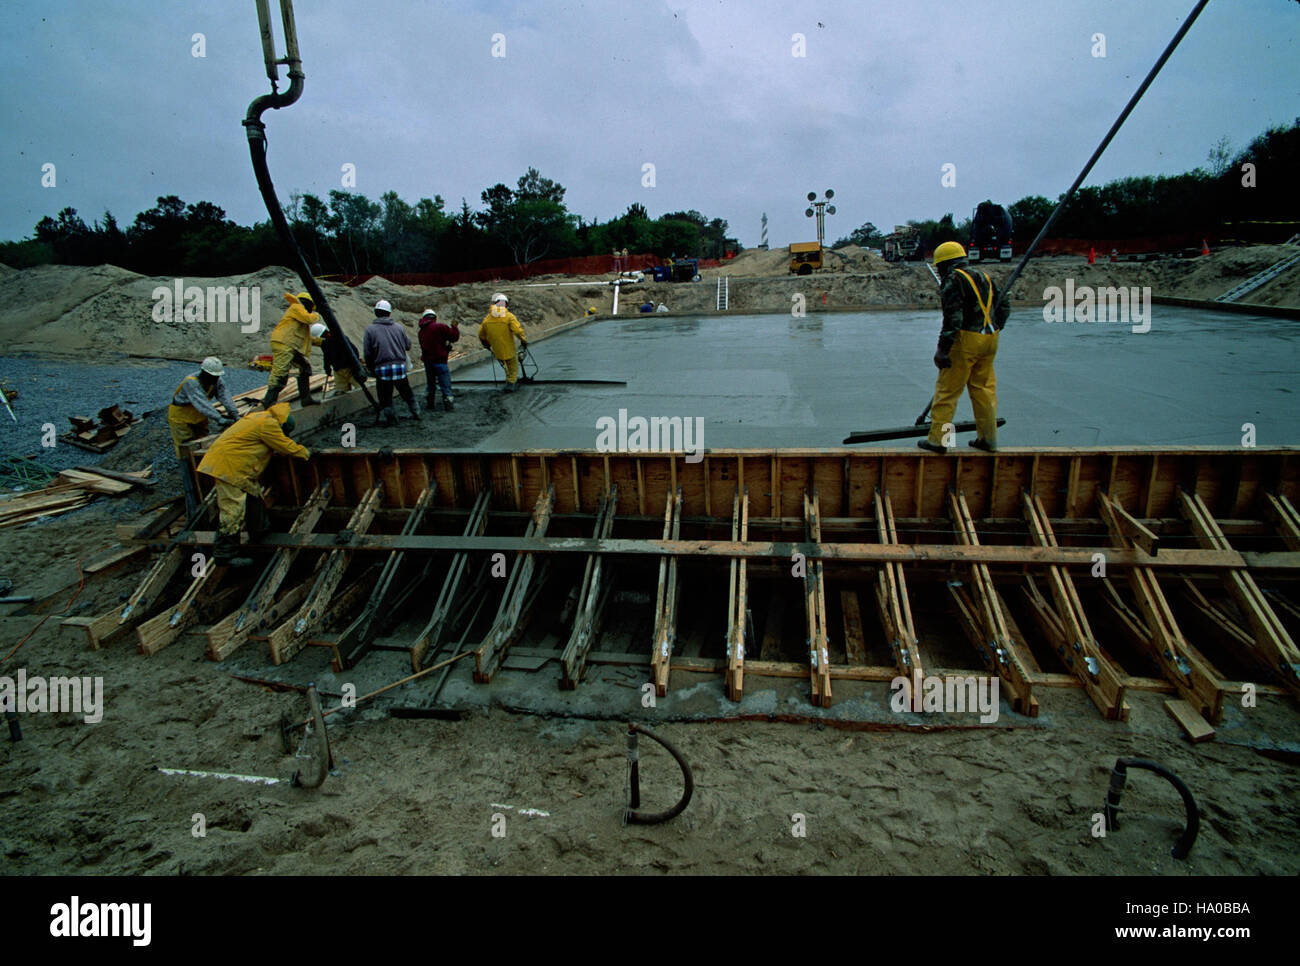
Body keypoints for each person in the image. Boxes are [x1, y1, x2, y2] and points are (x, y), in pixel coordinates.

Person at [919, 241, 1009, 455]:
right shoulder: (985, 277)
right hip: (989, 338)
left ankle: (938, 441)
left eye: (939, 267)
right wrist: (995, 326)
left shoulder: (953, 280)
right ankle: (988, 439)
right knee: (983, 390)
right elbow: (1004, 305)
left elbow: (953, 318)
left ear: (945, 264)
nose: (939, 273)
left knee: (947, 391)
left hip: (965, 341)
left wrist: (942, 349)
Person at [196, 402, 310, 567]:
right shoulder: (269, 424)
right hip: (229, 468)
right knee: (232, 510)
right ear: (282, 425)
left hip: (239, 469)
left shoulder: (260, 417)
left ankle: (260, 533)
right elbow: (284, 445)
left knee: (254, 497)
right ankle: (224, 554)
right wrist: (305, 452)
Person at [168, 356, 240, 518]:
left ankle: (206, 481)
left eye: (217, 376)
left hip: (199, 418)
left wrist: (234, 413)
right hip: (182, 419)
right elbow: (201, 403)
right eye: (213, 376)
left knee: (205, 449)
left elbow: (225, 396)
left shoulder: (216, 381)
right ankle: (191, 490)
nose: (215, 379)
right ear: (204, 372)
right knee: (186, 452)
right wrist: (220, 418)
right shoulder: (192, 382)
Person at [364, 299, 420, 424]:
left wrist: (370, 367)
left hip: (382, 369)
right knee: (406, 392)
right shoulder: (398, 328)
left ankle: (390, 417)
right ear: (389, 313)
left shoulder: (370, 330)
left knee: (385, 395)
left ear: (376, 313)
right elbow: (408, 345)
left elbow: (368, 353)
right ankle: (416, 411)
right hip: (399, 367)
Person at [264, 291, 323, 409]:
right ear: (308, 304)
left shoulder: (298, 316)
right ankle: (269, 402)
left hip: (290, 345)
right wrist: (318, 313)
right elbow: (309, 319)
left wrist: (322, 342)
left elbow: (305, 339)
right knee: (280, 373)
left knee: (305, 368)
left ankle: (306, 399)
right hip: (284, 343)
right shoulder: (297, 307)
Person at [477, 293, 528, 392]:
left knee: (505, 366)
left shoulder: (487, 319)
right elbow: (517, 330)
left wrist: (486, 344)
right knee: (513, 366)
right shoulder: (509, 317)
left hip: (497, 350)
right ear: (506, 304)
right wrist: (524, 340)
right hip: (509, 348)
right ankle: (511, 383)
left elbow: (481, 334)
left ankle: (509, 380)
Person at [417, 308, 460, 411]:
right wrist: (454, 327)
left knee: (430, 384)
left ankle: (430, 403)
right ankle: (448, 403)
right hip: (440, 361)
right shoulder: (440, 327)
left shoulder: (421, 332)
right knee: (445, 385)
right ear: (434, 318)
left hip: (428, 362)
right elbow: (454, 337)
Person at [315, 322, 363, 399]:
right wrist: (327, 368)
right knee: (342, 394)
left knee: (362, 389)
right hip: (340, 371)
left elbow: (354, 351)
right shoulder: (328, 342)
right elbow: (326, 357)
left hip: (349, 369)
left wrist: (355, 365)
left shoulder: (338, 340)